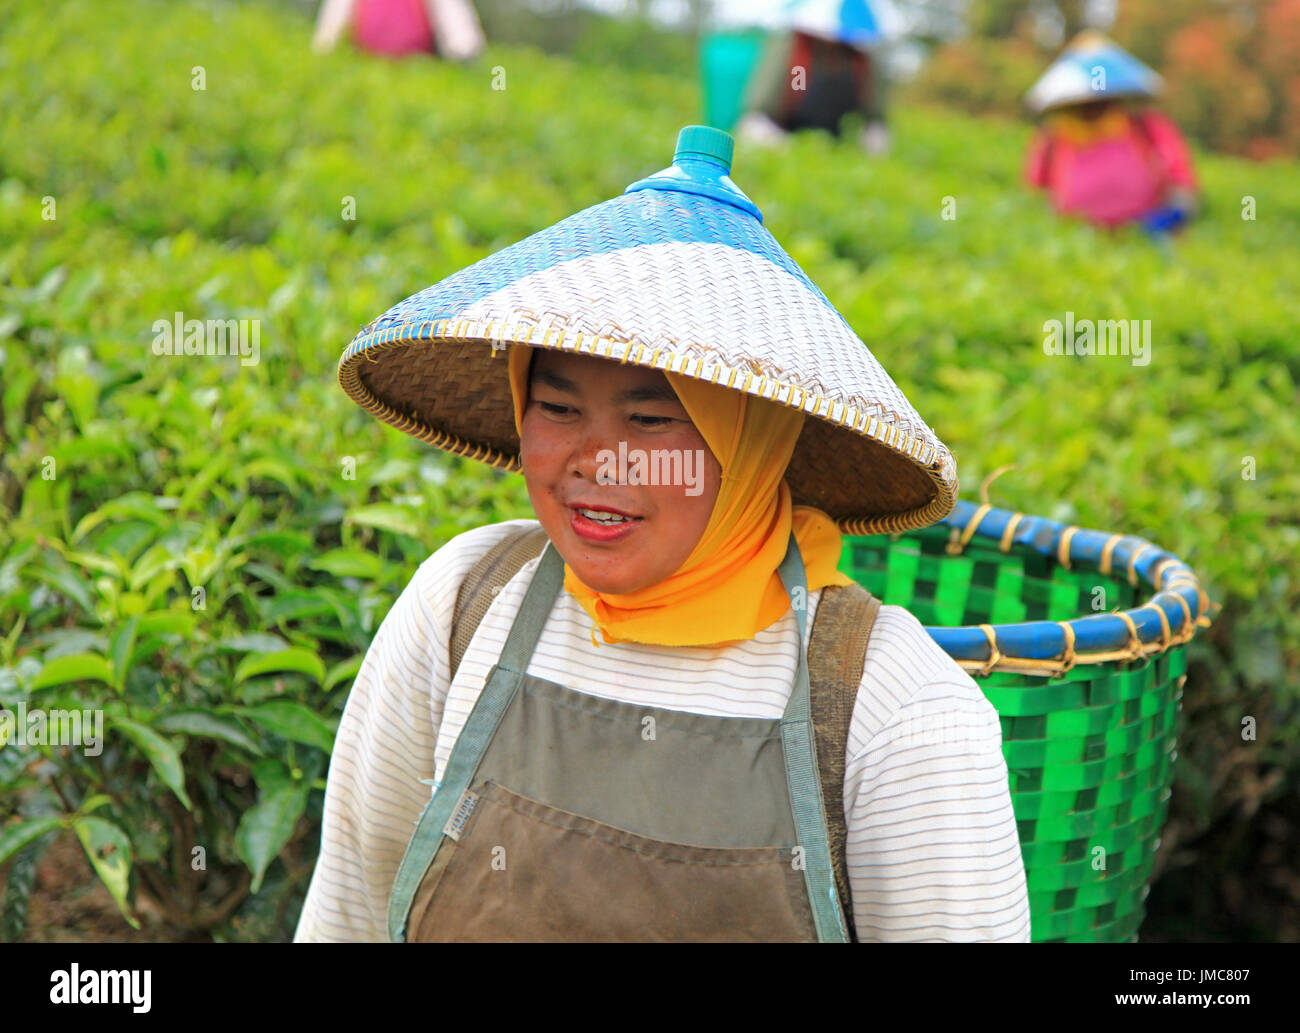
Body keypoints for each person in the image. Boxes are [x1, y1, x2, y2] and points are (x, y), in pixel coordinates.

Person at [295, 126, 1030, 942]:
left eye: (650, 420)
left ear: (752, 443)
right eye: (558, 408)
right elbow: (351, 911)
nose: (596, 463)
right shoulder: (462, 605)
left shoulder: (890, 702)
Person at [1023, 31, 1198, 230]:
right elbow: (1036, 189)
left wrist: (1172, 215)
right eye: (1085, 104)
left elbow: (1181, 179)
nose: (1093, 109)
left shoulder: (1146, 125)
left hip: (1145, 234)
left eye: (1101, 103)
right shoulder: (1054, 136)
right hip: (1077, 239)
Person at [312, 0, 484, 60]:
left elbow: (454, 17)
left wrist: (465, 49)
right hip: (364, 60)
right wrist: (324, 47)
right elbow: (335, 16)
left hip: (419, 63)